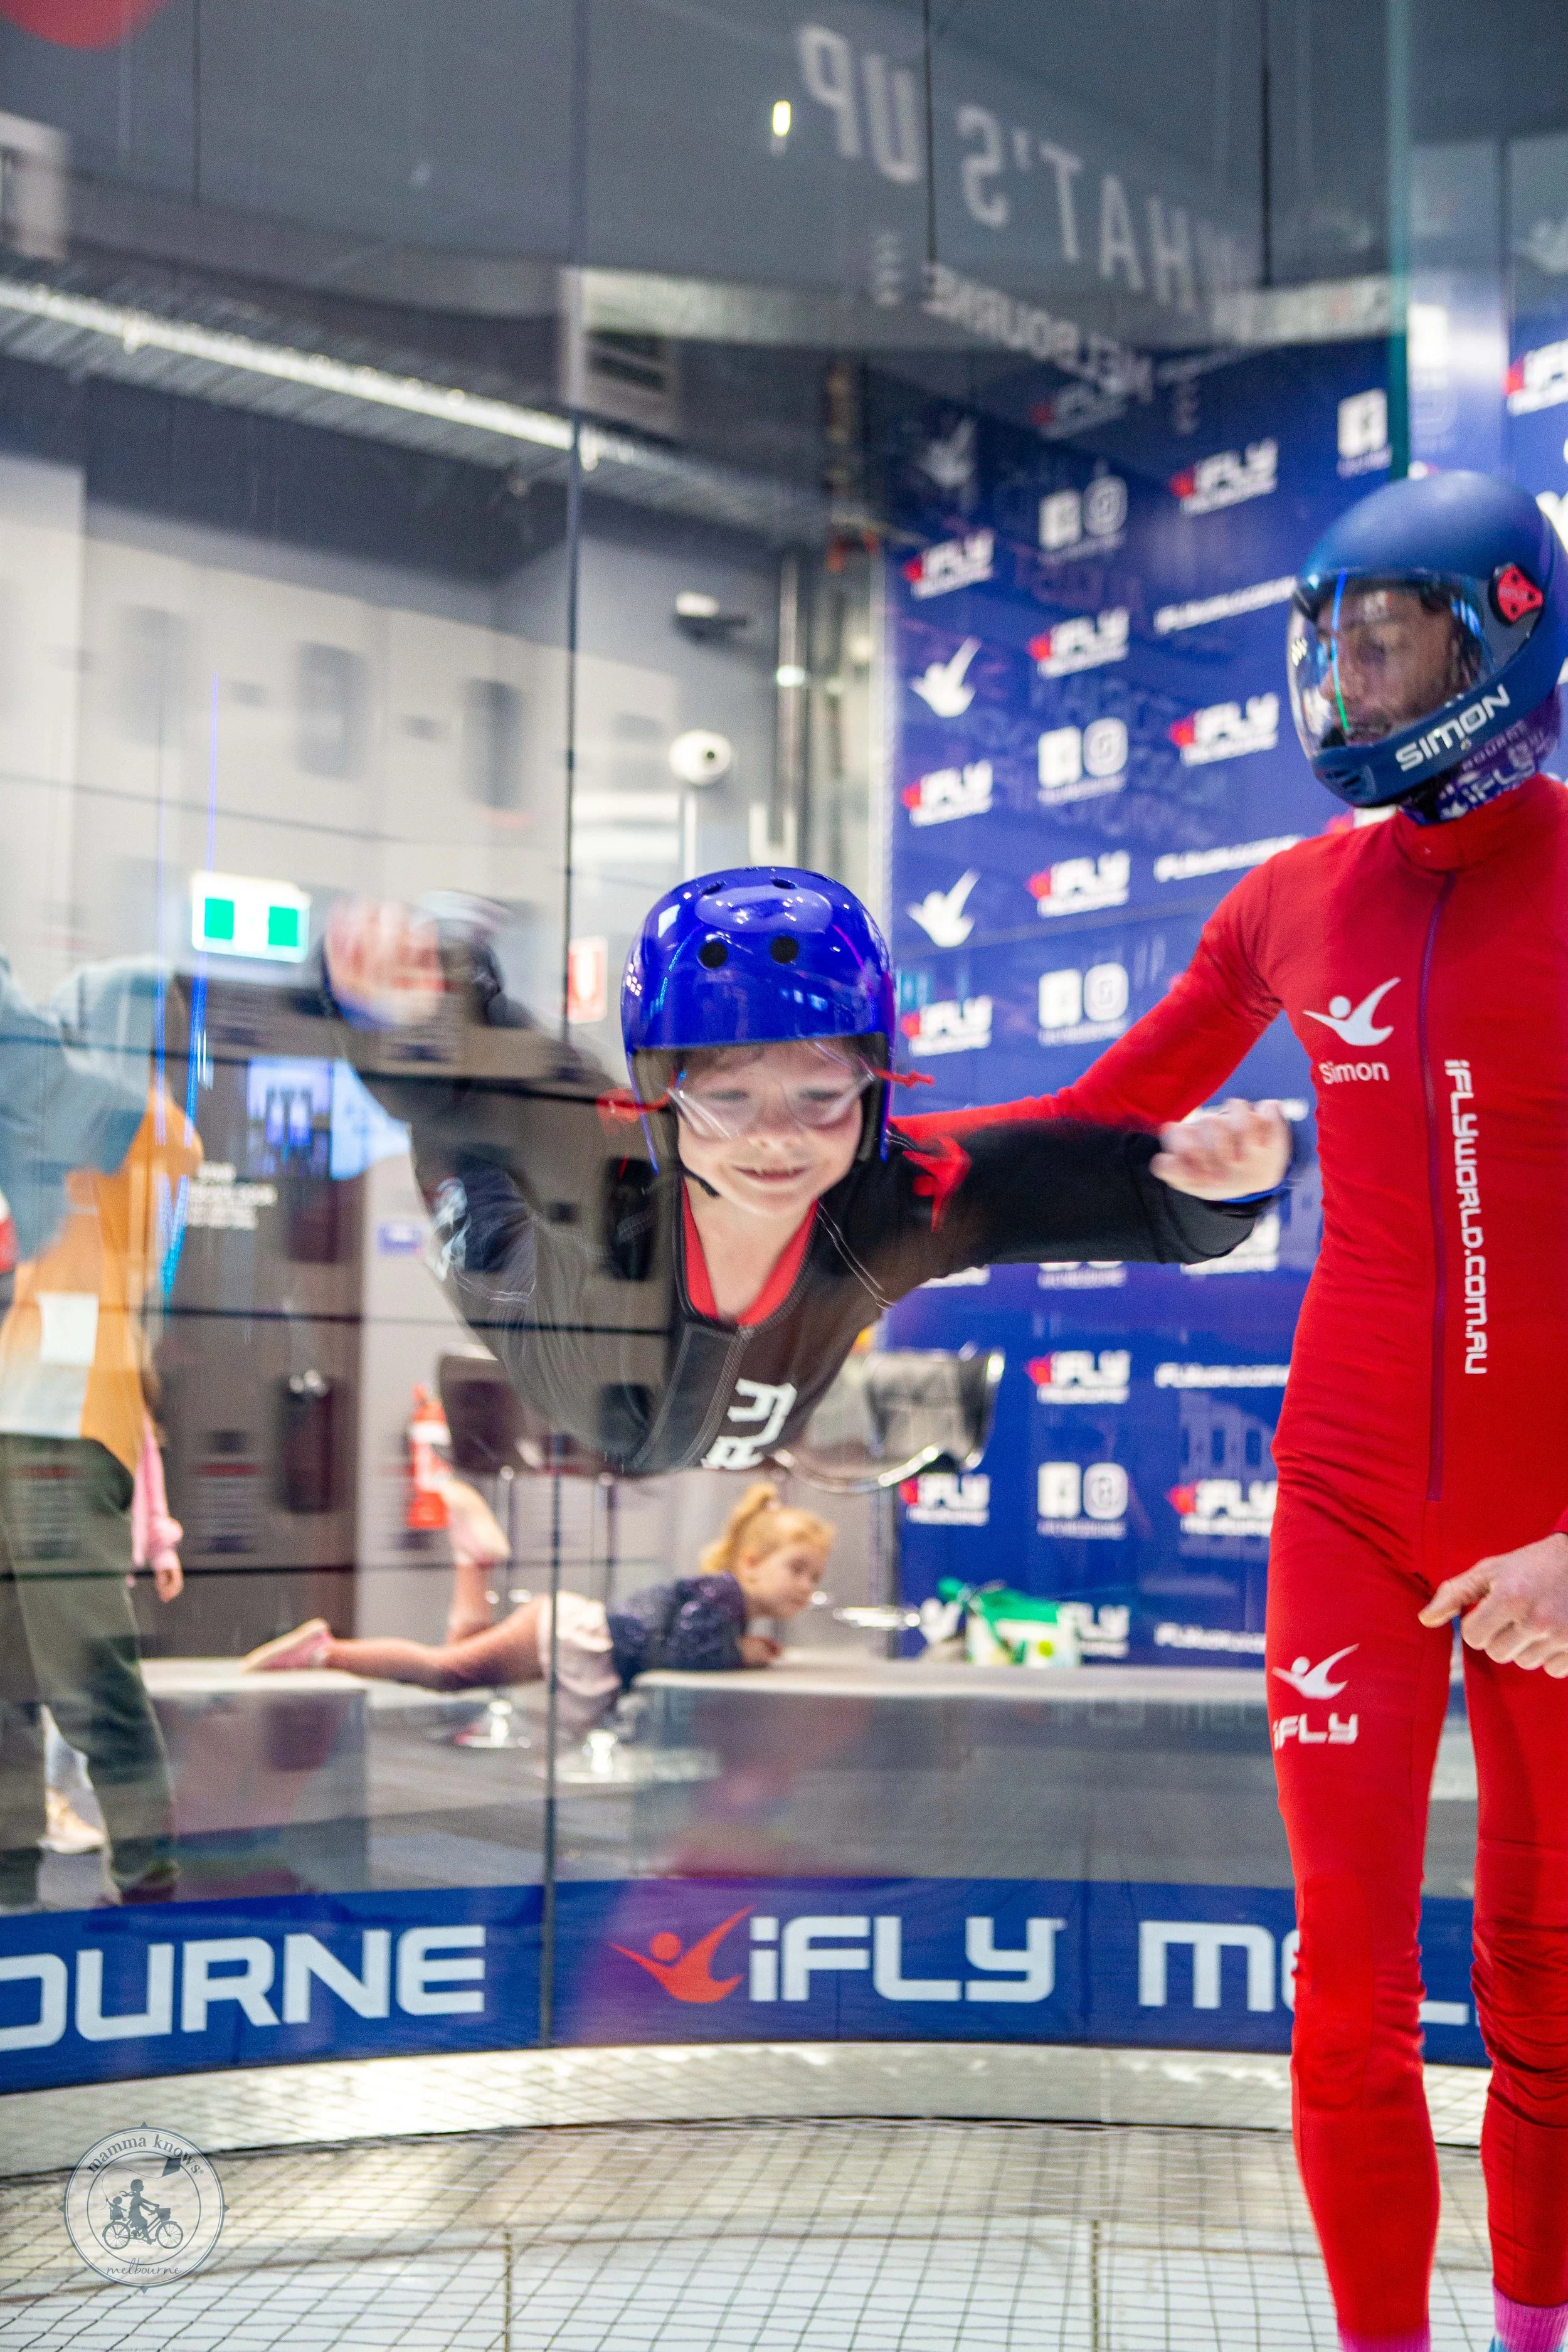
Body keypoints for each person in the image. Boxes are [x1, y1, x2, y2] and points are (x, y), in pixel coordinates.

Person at [908, 469, 1568, 2352]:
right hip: (1347, 1503)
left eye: (1389, 638)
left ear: (1500, 628)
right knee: (1341, 1999)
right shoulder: (1285, 901)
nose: (1347, 677)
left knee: (1542, 1984)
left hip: (1550, 1538)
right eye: (1332, 641)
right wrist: (812, 1139)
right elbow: (1089, 1120)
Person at [320, 867, 1288, 1481]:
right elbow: (491, 1084)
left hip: (732, 1405)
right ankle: (452, 952)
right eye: (730, 1102)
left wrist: (1209, 1192)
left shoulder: (895, 1199)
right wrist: (418, 1005)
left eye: (820, 1099)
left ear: (874, 1088)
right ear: (662, 1097)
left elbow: (1087, 1176)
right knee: (478, 1139)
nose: (775, 1142)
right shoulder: (614, 1158)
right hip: (529, 1268)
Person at [0, 1089, 201, 1911]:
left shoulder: (116, 1122)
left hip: (64, 1428)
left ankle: (147, 1890)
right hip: (19, 1416)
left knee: (89, 1678)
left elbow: (167, 1138)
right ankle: (10, 1891)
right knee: (8, 1686)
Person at [243, 1480, 835, 1735]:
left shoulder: (727, 1601)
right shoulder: (723, 1594)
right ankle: (324, 1651)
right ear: (751, 1561)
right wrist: (741, 1655)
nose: (806, 1588)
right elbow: (687, 1651)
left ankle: (474, 1559)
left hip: (570, 1631)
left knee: (455, 1661)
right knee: (445, 1672)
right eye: (796, 1569)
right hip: (575, 1637)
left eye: (815, 1577)